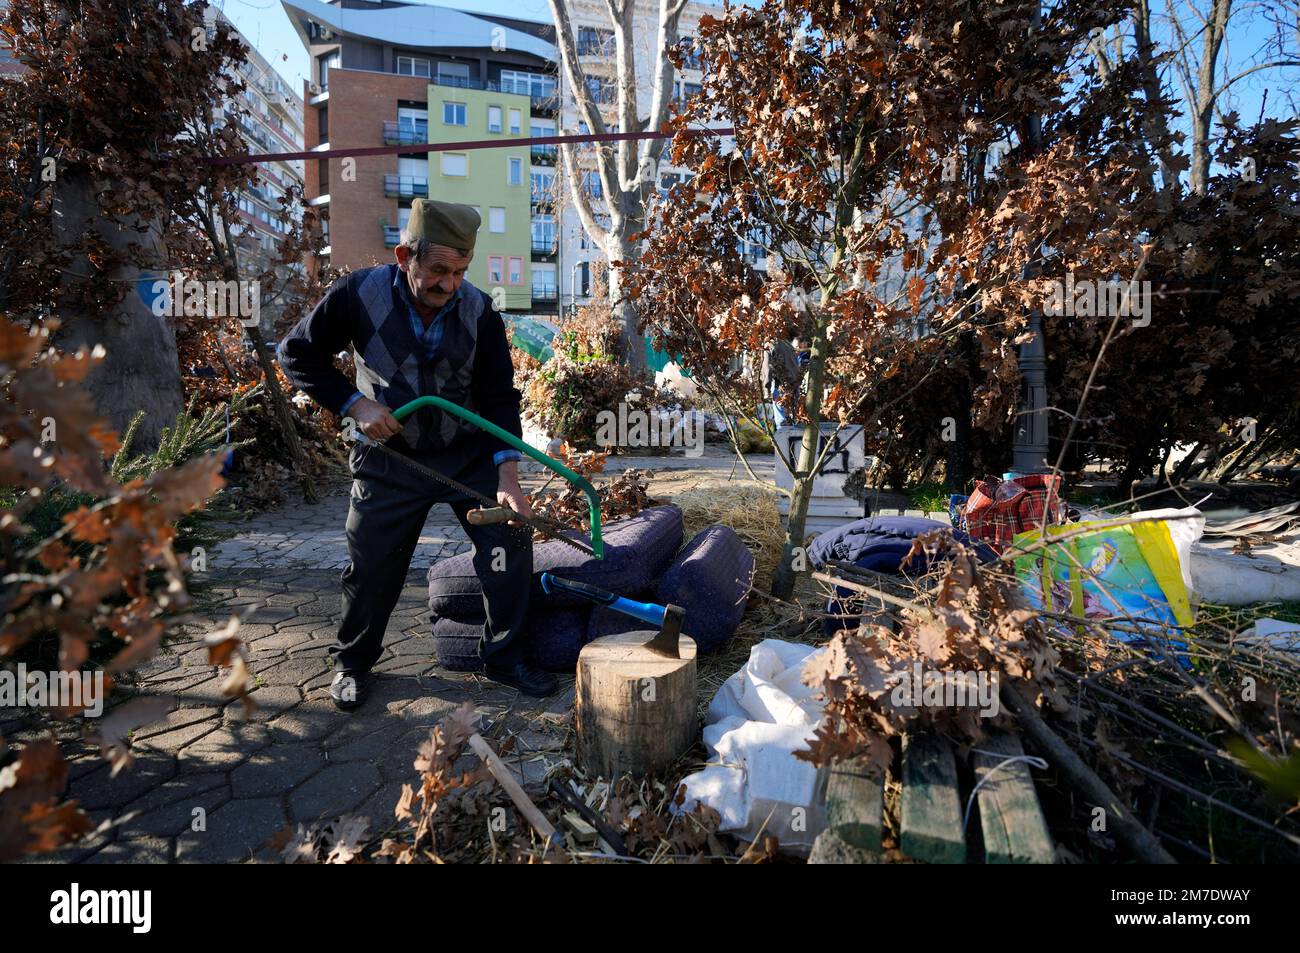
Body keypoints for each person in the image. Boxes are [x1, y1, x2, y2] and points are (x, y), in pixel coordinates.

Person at [277, 199, 555, 710]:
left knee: (508, 546)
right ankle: (353, 665)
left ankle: (503, 657)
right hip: (389, 457)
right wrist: (356, 405)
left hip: (464, 452)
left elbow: (498, 397)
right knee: (372, 566)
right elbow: (297, 352)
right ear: (406, 255)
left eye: (459, 271)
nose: (448, 284)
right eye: (437, 271)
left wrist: (509, 478)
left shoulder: (479, 311)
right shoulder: (357, 294)